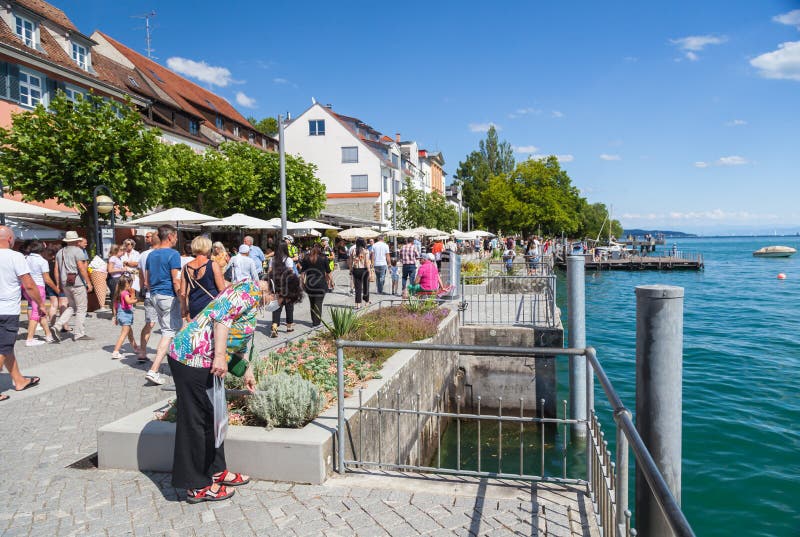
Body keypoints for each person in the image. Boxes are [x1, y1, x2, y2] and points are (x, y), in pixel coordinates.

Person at [167, 279, 277, 503]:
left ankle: (216, 470)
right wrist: (219, 357)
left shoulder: (252, 295)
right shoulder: (247, 292)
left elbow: (240, 338)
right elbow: (222, 320)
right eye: (278, 300)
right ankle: (197, 485)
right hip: (191, 358)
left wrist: (245, 369)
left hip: (204, 360)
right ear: (274, 290)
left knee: (213, 416)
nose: (275, 304)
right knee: (196, 420)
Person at [0, 226, 44, 402]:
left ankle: (19, 380)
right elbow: (29, 285)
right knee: (3, 348)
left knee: (6, 346)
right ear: (10, 239)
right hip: (7, 310)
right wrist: (40, 304)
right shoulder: (15, 257)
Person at [144, 225, 182, 386]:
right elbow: (176, 279)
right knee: (168, 331)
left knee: (175, 329)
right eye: (176, 236)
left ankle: (178, 363)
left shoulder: (151, 255)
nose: (177, 239)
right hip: (168, 296)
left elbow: (146, 281)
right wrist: (182, 298)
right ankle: (154, 369)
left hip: (154, 295)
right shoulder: (173, 254)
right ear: (170, 236)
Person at [53, 231, 93, 341]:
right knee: (81, 308)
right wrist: (88, 282)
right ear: (76, 240)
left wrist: (58, 283)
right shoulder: (78, 251)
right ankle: (79, 333)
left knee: (72, 306)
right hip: (77, 282)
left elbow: (56, 269)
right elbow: (81, 268)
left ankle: (57, 325)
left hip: (65, 283)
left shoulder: (60, 252)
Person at [21, 240, 57, 345]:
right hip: (38, 287)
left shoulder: (24, 258)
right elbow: (47, 279)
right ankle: (30, 338)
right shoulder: (42, 261)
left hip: (25, 287)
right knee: (36, 312)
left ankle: (48, 334)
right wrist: (56, 288)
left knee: (41, 311)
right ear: (42, 250)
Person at [181, 236, 225, 321]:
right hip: (211, 305)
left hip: (194, 305)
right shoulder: (213, 265)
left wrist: (184, 309)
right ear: (207, 248)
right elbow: (221, 289)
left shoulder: (186, 267)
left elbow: (183, 293)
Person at [269, 243, 303, 337]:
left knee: (277, 306)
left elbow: (269, 272)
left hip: (276, 285)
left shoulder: (272, 259)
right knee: (289, 305)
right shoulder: (288, 259)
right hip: (287, 285)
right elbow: (290, 272)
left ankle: (275, 326)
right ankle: (289, 326)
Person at [301, 243, 331, 327]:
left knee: (312, 302)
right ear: (320, 249)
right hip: (321, 283)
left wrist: (302, 283)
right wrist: (330, 282)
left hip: (310, 284)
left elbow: (303, 272)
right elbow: (328, 272)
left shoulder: (306, 258)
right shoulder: (324, 258)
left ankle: (314, 320)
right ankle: (316, 323)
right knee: (318, 302)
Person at [110, 274, 138, 359]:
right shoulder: (125, 293)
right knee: (123, 334)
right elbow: (129, 302)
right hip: (125, 315)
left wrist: (115, 317)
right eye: (130, 284)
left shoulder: (118, 293)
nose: (131, 286)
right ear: (127, 284)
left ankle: (135, 348)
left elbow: (114, 306)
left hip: (121, 315)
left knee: (130, 333)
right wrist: (136, 298)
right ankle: (116, 351)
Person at [350, 238, 371, 309]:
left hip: (356, 270)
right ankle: (366, 302)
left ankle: (358, 304)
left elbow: (350, 261)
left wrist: (350, 270)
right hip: (364, 270)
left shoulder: (353, 250)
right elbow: (367, 262)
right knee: (366, 287)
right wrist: (369, 271)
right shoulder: (366, 251)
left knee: (357, 288)